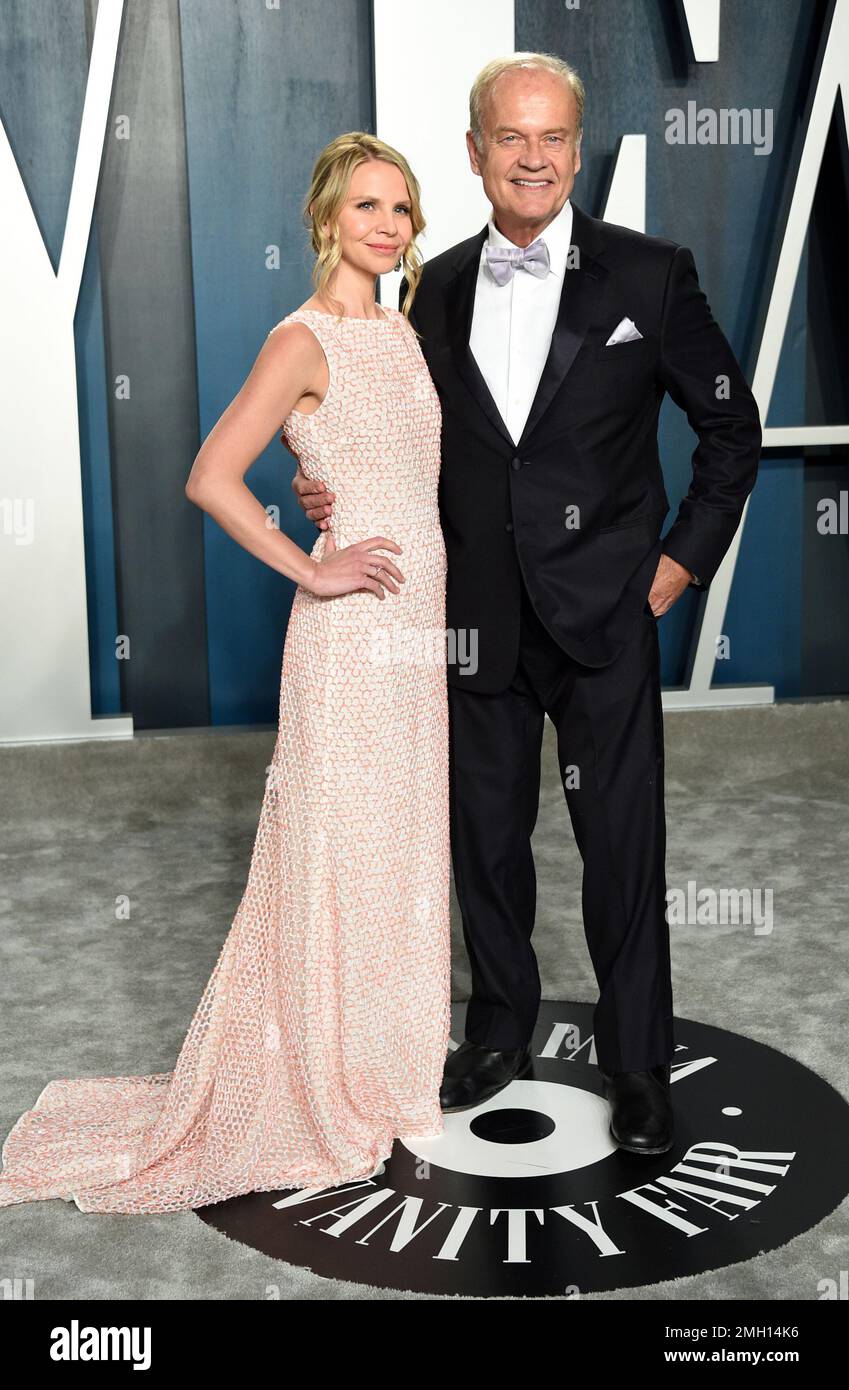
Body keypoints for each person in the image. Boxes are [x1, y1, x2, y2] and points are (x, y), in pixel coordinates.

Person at [293, 54, 762, 1156]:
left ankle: (638, 1066)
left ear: (578, 147)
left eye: (554, 137)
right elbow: (399, 433)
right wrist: (329, 486)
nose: (535, 157)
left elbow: (730, 430)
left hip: (606, 620)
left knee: (621, 852)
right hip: (478, 619)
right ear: (476, 152)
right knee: (486, 846)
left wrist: (678, 567)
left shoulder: (651, 277)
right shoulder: (436, 285)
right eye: (512, 138)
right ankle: (497, 1025)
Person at [0, 133, 451, 1213]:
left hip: (418, 639)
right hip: (347, 645)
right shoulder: (298, 340)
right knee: (338, 852)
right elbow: (210, 473)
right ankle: (320, 1080)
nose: (387, 226)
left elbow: (380, 465)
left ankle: (387, 1073)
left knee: (399, 855)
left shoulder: (401, 331)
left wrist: (317, 481)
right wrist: (312, 560)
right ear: (328, 218)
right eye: (367, 207)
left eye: (402, 209)